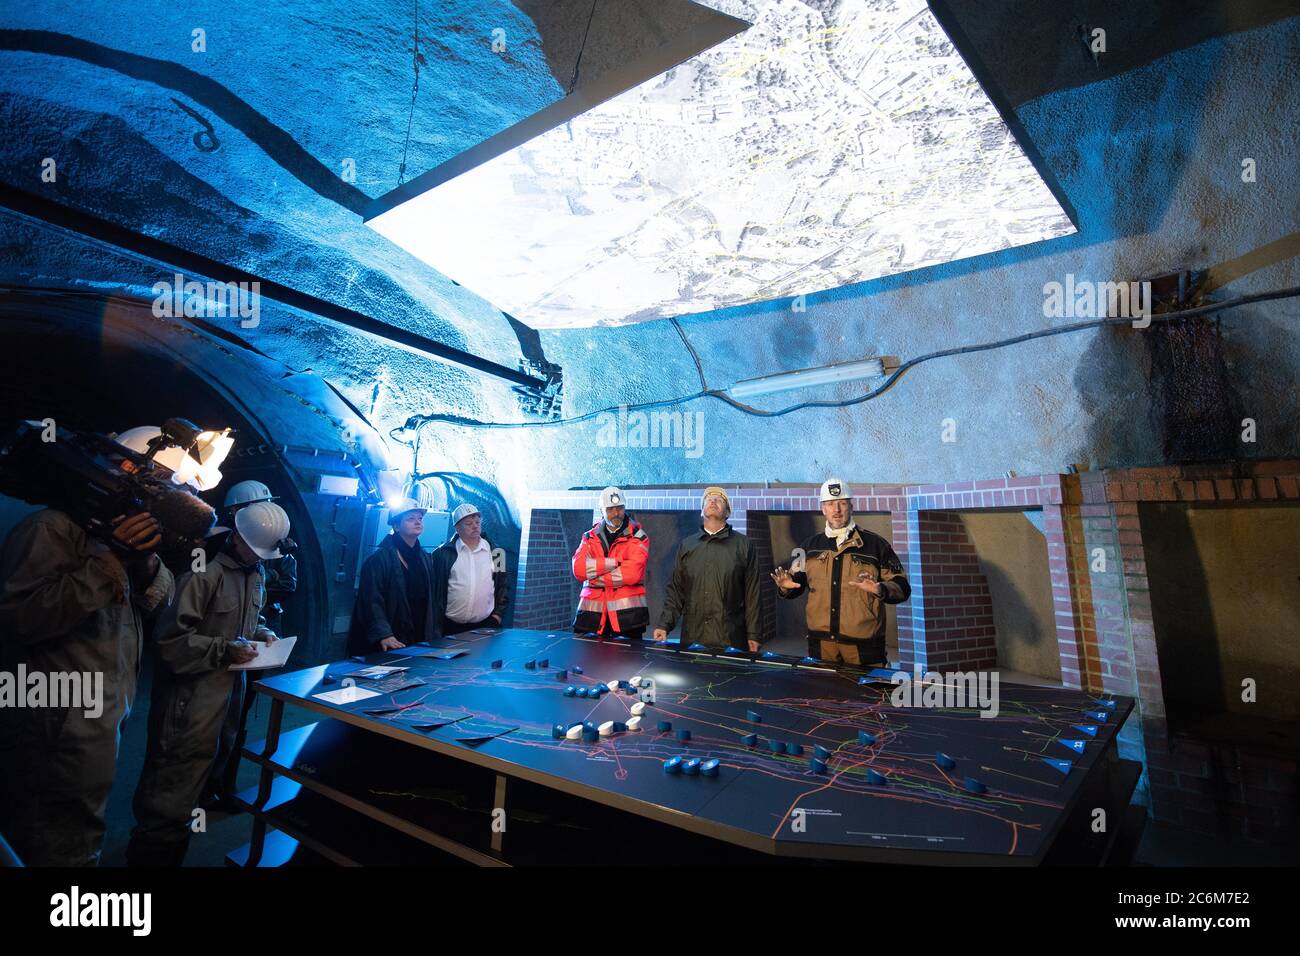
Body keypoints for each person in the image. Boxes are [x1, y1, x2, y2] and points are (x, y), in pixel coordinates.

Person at [0, 432, 176, 866]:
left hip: (102, 709)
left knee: (82, 822)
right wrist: (107, 563)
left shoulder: (115, 535)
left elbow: (156, 602)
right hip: (57, 718)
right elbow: (19, 619)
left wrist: (143, 562)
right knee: (53, 832)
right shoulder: (51, 528)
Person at [127, 500, 289, 866]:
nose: (258, 557)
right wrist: (224, 649)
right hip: (189, 702)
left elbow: (248, 617)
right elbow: (168, 641)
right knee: (169, 794)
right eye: (254, 549)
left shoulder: (254, 569)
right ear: (238, 537)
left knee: (198, 786)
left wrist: (261, 632)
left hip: (226, 697)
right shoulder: (203, 570)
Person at [204, 479, 298, 810]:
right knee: (201, 733)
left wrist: (259, 627)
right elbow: (175, 634)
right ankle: (199, 795)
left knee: (236, 722)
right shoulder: (210, 560)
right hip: (207, 667)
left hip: (248, 647)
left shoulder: (266, 558)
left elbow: (286, 582)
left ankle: (220, 788)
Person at [771, 479, 911, 667]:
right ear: (823, 509)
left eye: (842, 503)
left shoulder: (876, 545)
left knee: (867, 696)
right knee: (823, 694)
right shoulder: (807, 547)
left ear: (851, 507)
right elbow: (795, 584)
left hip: (865, 647)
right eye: (830, 504)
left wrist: (880, 588)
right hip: (821, 646)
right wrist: (786, 587)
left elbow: (902, 588)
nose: (836, 509)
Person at [653, 486, 761, 651]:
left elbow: (752, 593)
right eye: (708, 499)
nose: (713, 501)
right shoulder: (687, 546)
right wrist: (664, 624)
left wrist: (753, 634)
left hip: (730, 639)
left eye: (719, 499)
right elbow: (676, 590)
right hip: (693, 637)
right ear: (702, 510)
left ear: (727, 512)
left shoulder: (744, 545)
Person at [347, 498, 436, 654]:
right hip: (390, 640)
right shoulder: (379, 560)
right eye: (410, 519)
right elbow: (371, 600)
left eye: (420, 518)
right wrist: (384, 634)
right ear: (396, 526)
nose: (417, 522)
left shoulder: (425, 558)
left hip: (418, 635)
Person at [571, 486, 650, 640]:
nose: (616, 513)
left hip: (628, 619)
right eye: (611, 509)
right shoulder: (589, 537)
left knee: (629, 664)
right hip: (591, 619)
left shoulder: (639, 537)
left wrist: (594, 576)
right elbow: (579, 569)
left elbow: (632, 574)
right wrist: (615, 562)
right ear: (602, 510)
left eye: (620, 508)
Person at [431, 503, 508, 637]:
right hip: (450, 627)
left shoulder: (497, 553)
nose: (475, 526)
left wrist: (498, 615)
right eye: (468, 523)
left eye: (477, 522)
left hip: (486, 625)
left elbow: (504, 585)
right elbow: (434, 591)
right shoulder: (442, 554)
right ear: (457, 528)